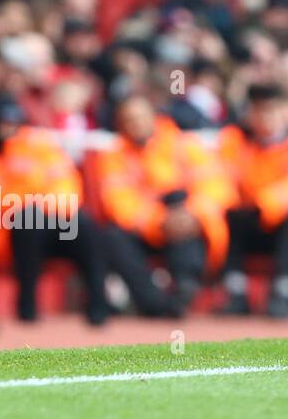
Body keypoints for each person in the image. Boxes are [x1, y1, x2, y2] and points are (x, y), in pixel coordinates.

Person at [0, 93, 111, 324]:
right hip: (6, 233)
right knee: (27, 219)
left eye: (14, 123)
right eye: (3, 123)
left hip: (52, 220)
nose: (10, 129)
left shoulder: (39, 143)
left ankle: (98, 305)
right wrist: (34, 201)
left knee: (84, 223)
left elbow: (67, 185)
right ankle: (27, 306)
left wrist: (45, 205)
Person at [87, 94, 236, 316]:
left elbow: (217, 187)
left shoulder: (184, 145)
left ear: (153, 117)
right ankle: (153, 303)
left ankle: (186, 286)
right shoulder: (114, 157)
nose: (135, 124)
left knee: (180, 204)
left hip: (188, 225)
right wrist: (160, 220)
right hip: (146, 229)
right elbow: (118, 204)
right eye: (129, 120)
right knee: (113, 237)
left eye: (140, 117)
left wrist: (191, 212)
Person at [217, 83, 288, 318]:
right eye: (258, 111)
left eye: (270, 110)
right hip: (250, 222)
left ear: (283, 112)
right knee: (231, 217)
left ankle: (283, 291)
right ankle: (236, 291)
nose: (264, 118)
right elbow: (220, 180)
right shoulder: (237, 142)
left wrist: (264, 202)